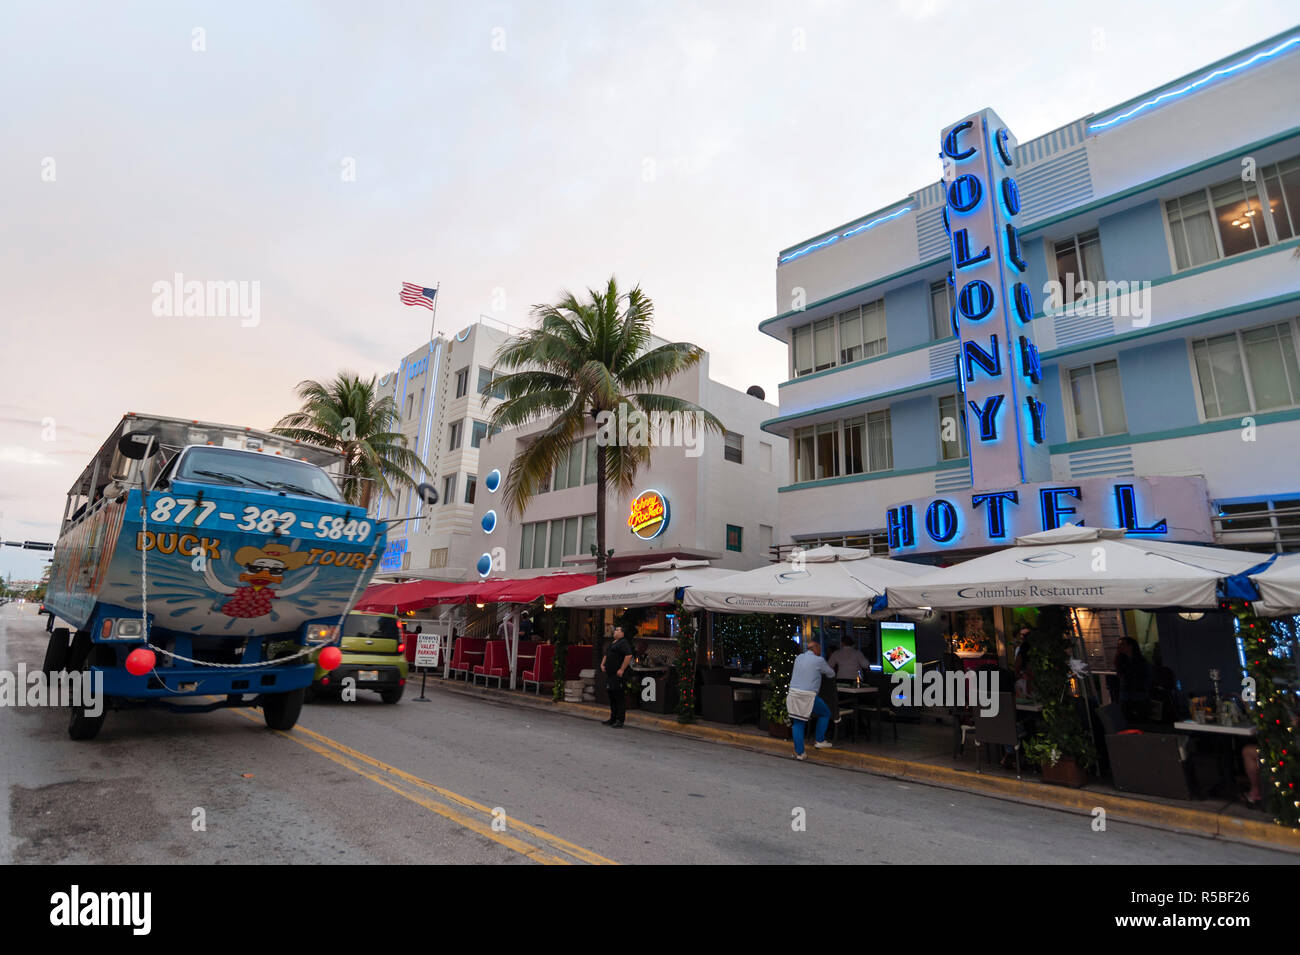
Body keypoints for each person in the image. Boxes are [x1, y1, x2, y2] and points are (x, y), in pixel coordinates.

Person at [787, 640, 836, 760]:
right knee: (825, 713)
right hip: (808, 695)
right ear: (815, 649)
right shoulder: (819, 660)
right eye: (819, 648)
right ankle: (819, 740)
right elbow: (831, 674)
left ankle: (800, 753)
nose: (820, 651)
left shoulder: (798, 658)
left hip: (793, 694)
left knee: (798, 722)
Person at [600, 626, 634, 728]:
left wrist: (622, 669)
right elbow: (606, 654)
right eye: (615, 630)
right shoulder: (613, 642)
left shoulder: (623, 643)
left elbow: (628, 656)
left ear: (622, 633)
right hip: (610, 674)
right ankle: (613, 717)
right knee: (612, 696)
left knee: (619, 697)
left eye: (617, 630)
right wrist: (602, 664)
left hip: (617, 674)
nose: (615, 631)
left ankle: (620, 720)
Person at [1114, 636, 1151, 722]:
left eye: (1123, 644)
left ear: (1130, 646)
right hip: (1126, 694)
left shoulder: (1140, 661)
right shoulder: (1121, 660)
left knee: (1141, 718)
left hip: (1138, 693)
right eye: (1119, 645)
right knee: (1128, 718)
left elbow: (1146, 676)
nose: (1120, 647)